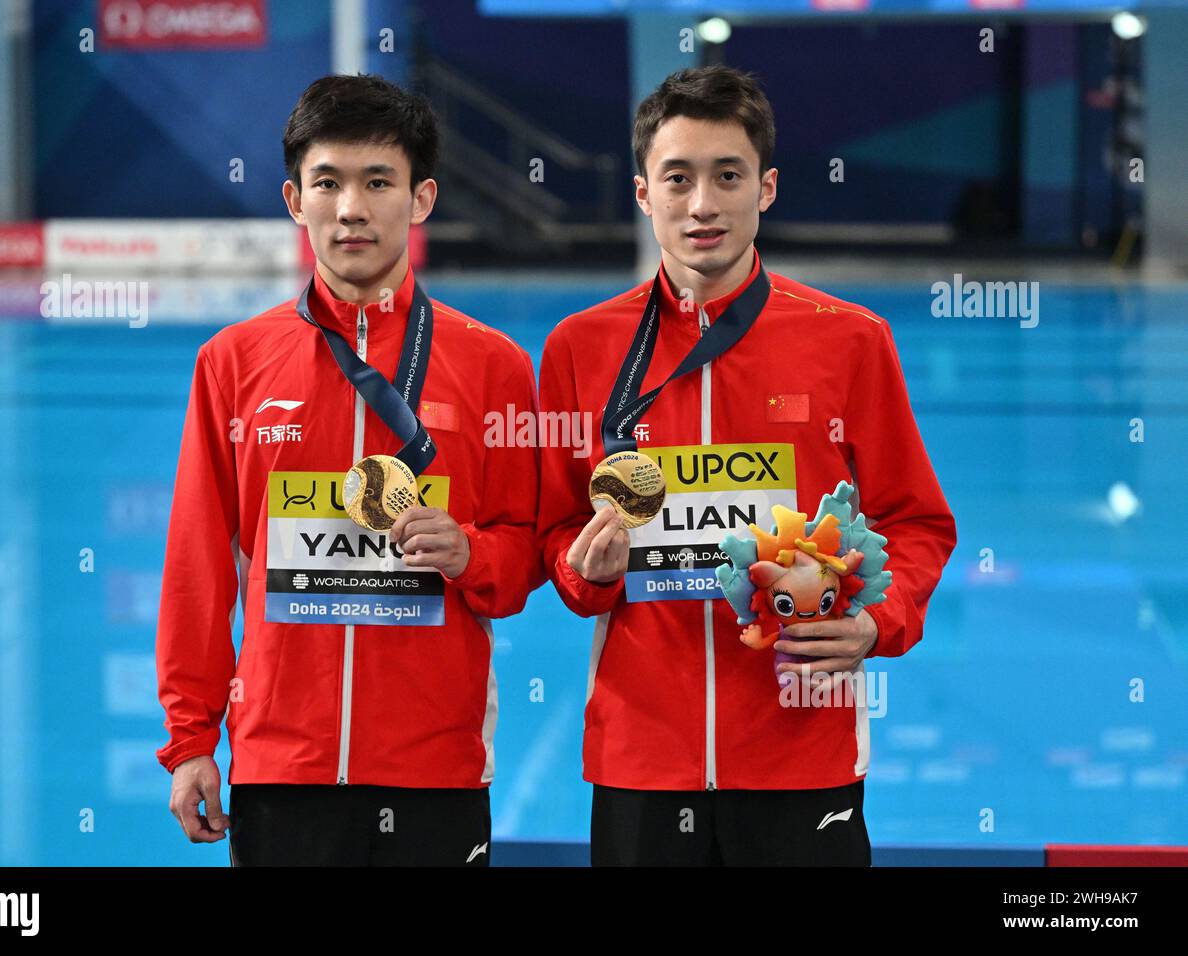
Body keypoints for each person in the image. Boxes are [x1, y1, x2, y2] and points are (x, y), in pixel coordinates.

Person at [537, 65, 957, 866]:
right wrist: (584, 570)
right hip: (643, 758)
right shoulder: (578, 349)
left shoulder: (849, 341)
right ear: (641, 193)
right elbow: (554, 537)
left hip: (801, 747)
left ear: (765, 188)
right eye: (678, 177)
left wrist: (878, 620)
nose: (703, 204)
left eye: (727, 176)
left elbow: (916, 521)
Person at [155, 74, 542, 866]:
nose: (351, 209)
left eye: (378, 183)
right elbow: (198, 567)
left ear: (421, 198)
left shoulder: (494, 366)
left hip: (435, 765)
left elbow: (523, 557)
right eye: (327, 183)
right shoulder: (231, 364)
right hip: (280, 764)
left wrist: (471, 552)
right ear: (295, 199)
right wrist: (191, 738)